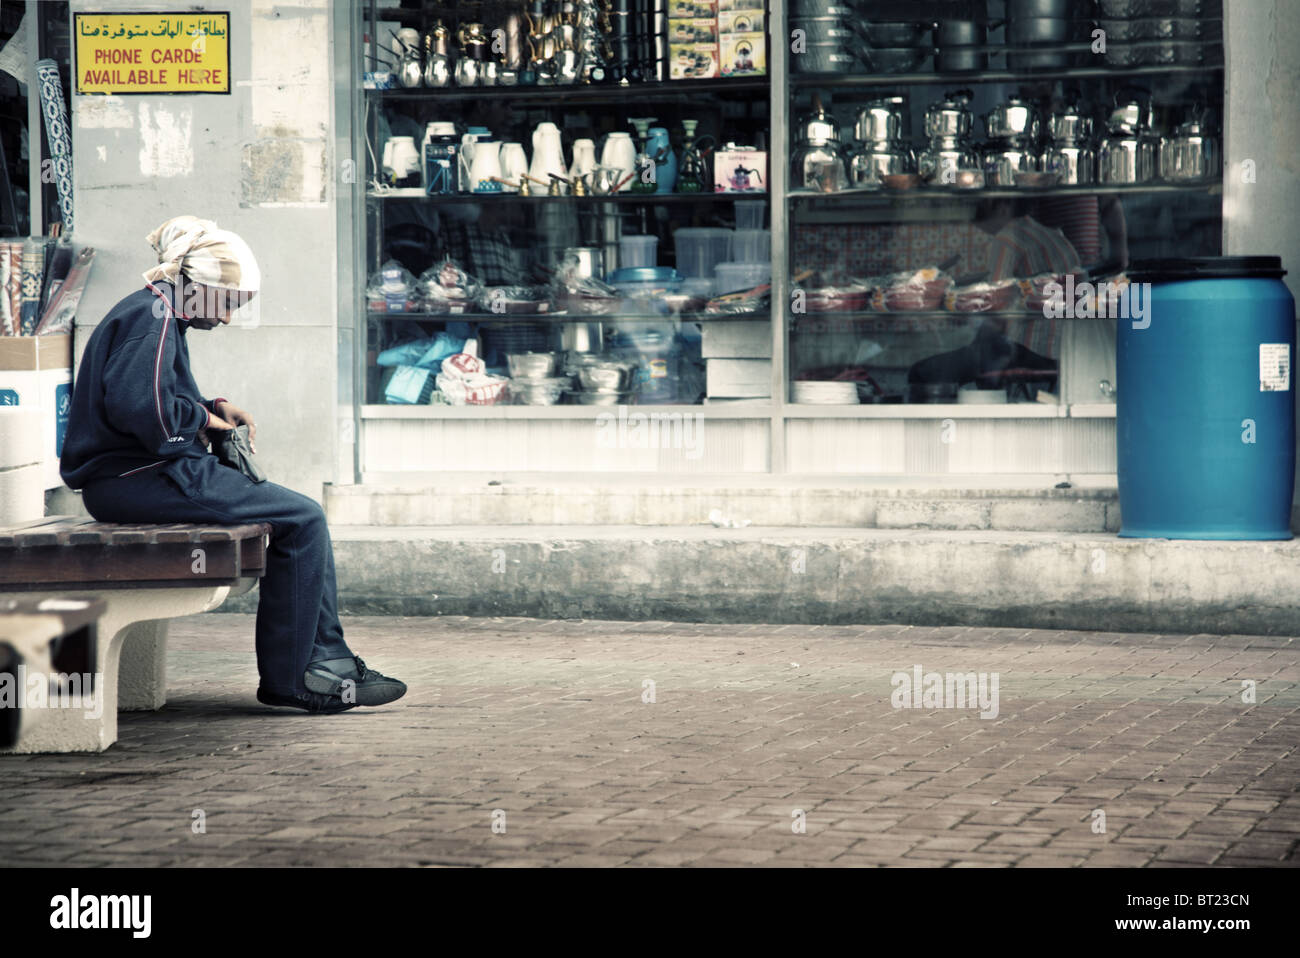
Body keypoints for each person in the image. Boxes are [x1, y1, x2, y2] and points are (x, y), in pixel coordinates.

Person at [60, 215, 407, 714]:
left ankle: (323, 662)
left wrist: (212, 407)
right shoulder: (151, 322)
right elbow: (146, 415)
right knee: (304, 518)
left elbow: (154, 398)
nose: (225, 319)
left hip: (141, 475)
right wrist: (202, 418)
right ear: (196, 287)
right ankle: (302, 674)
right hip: (141, 479)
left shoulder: (156, 314)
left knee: (300, 519)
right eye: (226, 305)